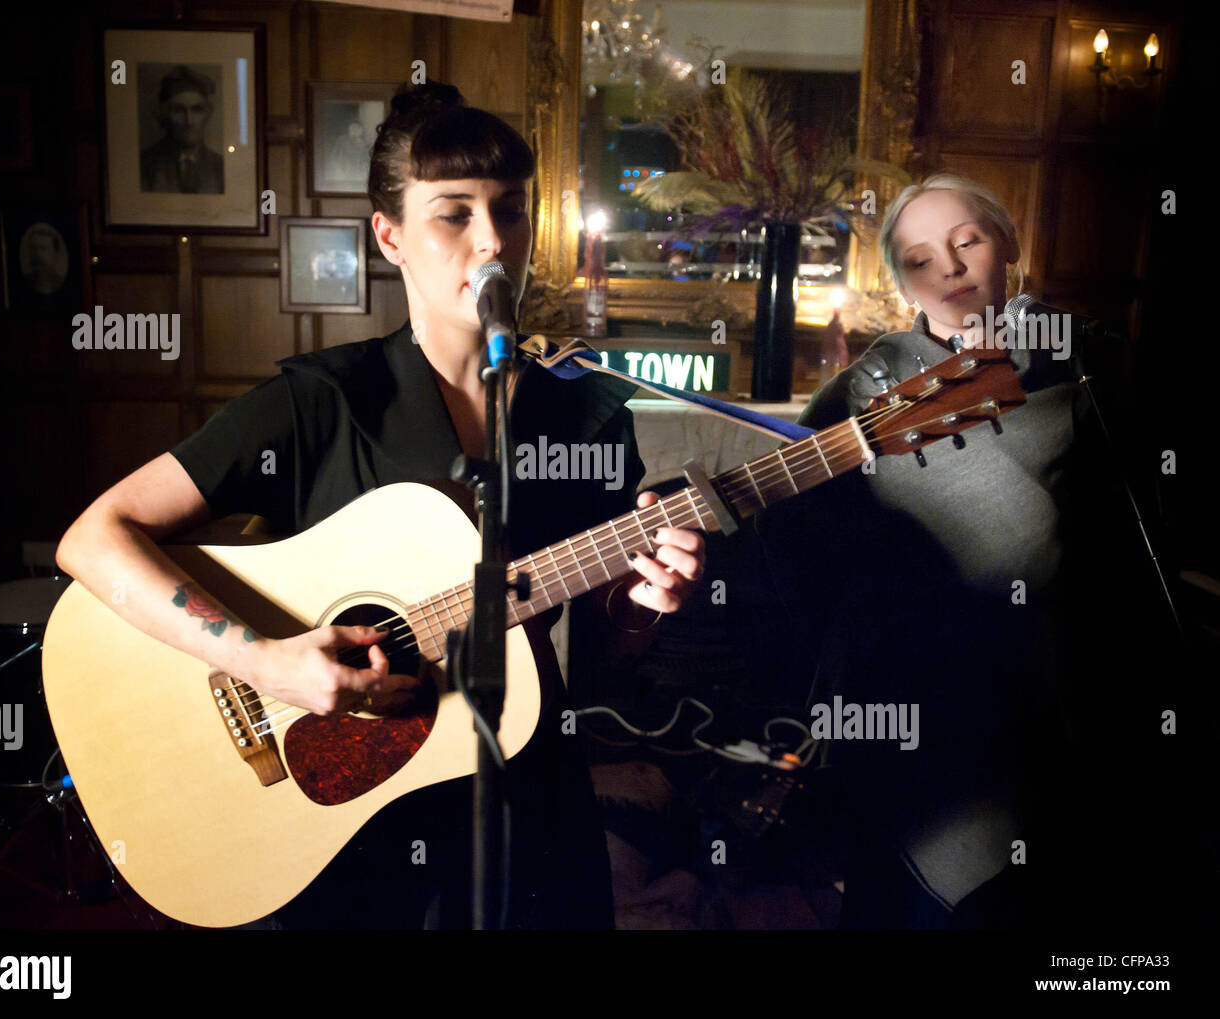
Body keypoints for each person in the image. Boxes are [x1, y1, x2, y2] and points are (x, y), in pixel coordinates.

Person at [57, 81, 706, 929]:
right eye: (454, 214)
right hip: (355, 824)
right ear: (389, 235)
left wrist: (645, 603)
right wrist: (264, 661)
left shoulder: (585, 413)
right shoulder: (319, 402)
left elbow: (604, 652)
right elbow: (94, 538)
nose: (492, 243)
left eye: (511, 211)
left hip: (530, 807)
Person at [756, 172, 1175, 929]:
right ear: (902, 283)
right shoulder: (860, 395)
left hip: (1056, 703)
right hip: (912, 704)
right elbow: (789, 537)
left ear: (1008, 244)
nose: (948, 267)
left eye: (966, 241)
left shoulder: (1089, 363)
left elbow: (1137, 530)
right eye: (920, 258)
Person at [140, 65, 225, 195]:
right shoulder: (144, 166)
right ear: (165, 113)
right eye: (179, 110)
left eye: (197, 110)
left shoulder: (220, 167)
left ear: (208, 114)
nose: (189, 121)